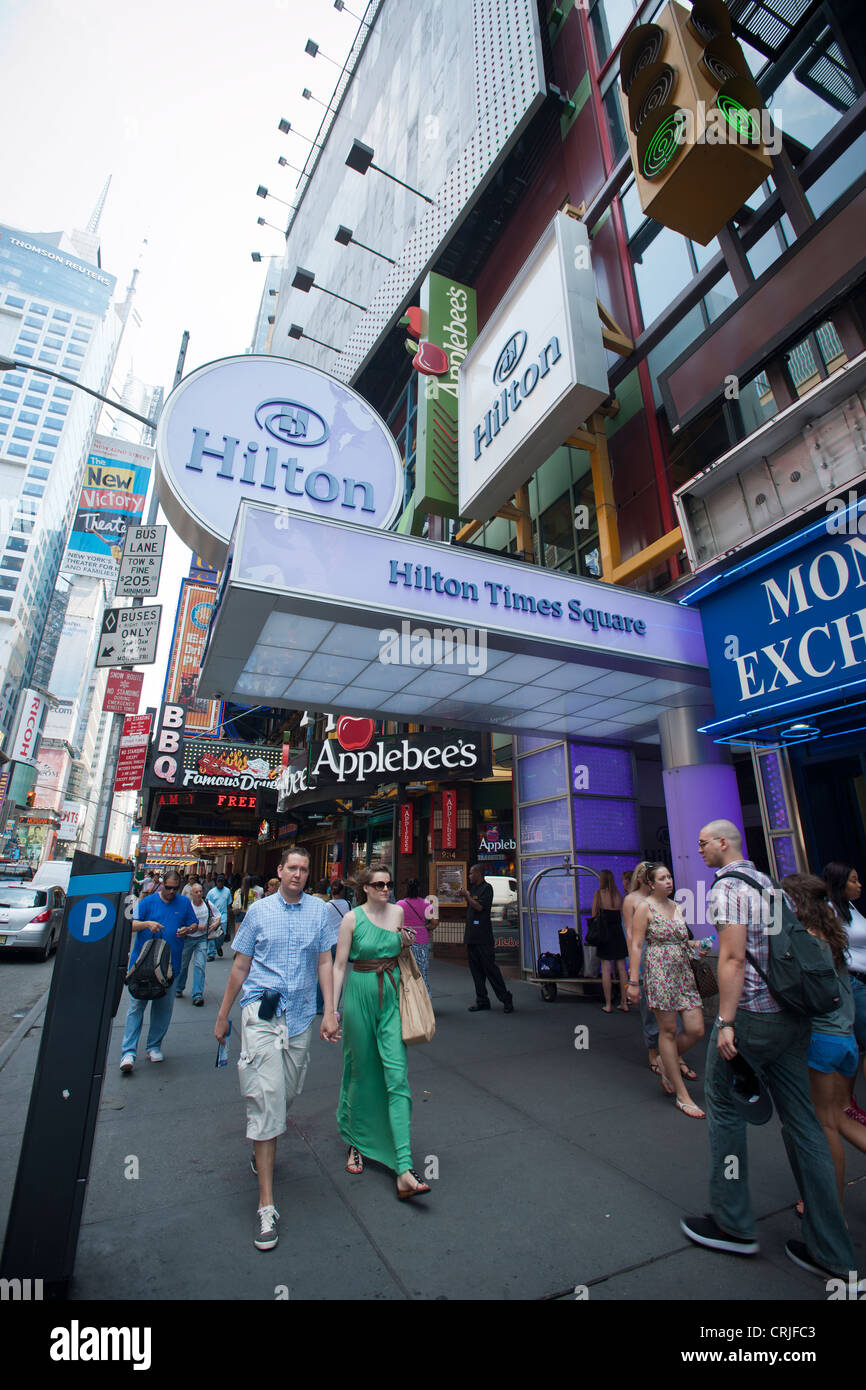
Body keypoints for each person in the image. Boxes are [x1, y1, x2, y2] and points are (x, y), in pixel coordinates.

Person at [680, 819, 858, 1283]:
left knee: (722, 1105)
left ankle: (733, 1222)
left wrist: (727, 1021)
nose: (698, 851)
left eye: (702, 844)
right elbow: (777, 950)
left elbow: (735, 957)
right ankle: (832, 1251)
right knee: (804, 1124)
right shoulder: (767, 885)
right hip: (793, 1018)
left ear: (723, 843)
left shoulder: (723, 891)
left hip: (753, 1018)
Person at [214, 847, 340, 1251]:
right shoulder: (258, 912)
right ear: (280, 871)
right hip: (261, 1012)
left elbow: (325, 962)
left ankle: (261, 1143)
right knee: (268, 1099)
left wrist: (330, 1011)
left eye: (304, 869)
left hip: (301, 1016)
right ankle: (267, 1205)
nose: (298, 875)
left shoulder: (320, 912)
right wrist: (223, 1015)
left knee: (286, 1093)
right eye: (292, 868)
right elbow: (239, 966)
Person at [332, 865, 430, 1199]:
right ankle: (355, 1141)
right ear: (365, 888)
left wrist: (405, 943)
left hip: (391, 995)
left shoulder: (398, 912)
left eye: (389, 883)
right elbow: (339, 965)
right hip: (359, 995)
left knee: (397, 1075)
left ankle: (403, 1165)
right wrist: (331, 1011)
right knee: (360, 1071)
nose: (386, 889)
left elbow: (402, 952)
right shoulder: (351, 919)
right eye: (379, 884)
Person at [781, 873, 866, 1211]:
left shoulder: (805, 942)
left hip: (823, 1040)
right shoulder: (832, 935)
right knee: (840, 1117)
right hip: (845, 1040)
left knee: (826, 1124)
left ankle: (831, 1208)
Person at [627, 863, 705, 1116]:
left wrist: (696, 945)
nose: (668, 881)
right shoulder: (643, 907)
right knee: (668, 1030)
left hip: (683, 971)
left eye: (670, 876)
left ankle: (664, 1060)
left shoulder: (677, 906)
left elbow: (680, 939)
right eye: (662, 878)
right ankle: (682, 1095)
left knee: (696, 1029)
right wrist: (634, 981)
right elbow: (637, 945)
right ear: (651, 883)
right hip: (659, 971)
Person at [119, 870, 198, 1073]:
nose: (171, 892)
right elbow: (130, 925)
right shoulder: (146, 902)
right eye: (168, 887)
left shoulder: (184, 903)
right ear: (161, 884)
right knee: (137, 1006)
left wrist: (187, 929)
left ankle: (154, 1046)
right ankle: (128, 1052)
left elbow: (194, 923)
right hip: (143, 965)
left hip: (170, 965)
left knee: (163, 1008)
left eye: (175, 888)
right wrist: (147, 924)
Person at [823, 861, 866, 1120]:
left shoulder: (850, 907)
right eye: (853, 880)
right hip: (851, 981)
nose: (858, 885)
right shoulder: (829, 911)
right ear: (840, 884)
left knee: (853, 1045)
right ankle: (843, 1103)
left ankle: (845, 1102)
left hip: (860, 980)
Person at [622, 861, 661, 1077]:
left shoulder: (660, 898)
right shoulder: (632, 900)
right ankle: (653, 1049)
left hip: (664, 954)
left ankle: (674, 1051)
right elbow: (630, 935)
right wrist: (633, 970)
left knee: (672, 1007)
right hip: (645, 953)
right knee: (650, 1007)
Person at [458, 864, 514, 1013]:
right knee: (476, 971)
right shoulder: (474, 889)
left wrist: (467, 896)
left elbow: (479, 907)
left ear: (478, 874)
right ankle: (482, 1000)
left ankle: (506, 998)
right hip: (472, 936)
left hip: (483, 937)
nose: (469, 876)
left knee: (490, 969)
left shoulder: (486, 888)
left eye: (471, 873)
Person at [591, 869, 630, 1013]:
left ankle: (608, 1004)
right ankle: (624, 1002)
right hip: (617, 933)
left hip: (605, 933)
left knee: (606, 968)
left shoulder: (598, 895)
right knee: (622, 969)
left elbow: (594, 913)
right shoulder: (618, 896)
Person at [175, 881, 218, 1005]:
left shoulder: (207, 903)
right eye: (196, 892)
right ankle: (179, 987)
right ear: (191, 894)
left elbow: (217, 915)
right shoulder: (187, 906)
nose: (199, 894)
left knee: (200, 965)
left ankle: (197, 994)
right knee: (183, 965)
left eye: (200, 891)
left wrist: (214, 924)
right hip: (188, 938)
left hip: (202, 939)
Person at [396, 878, 436, 992]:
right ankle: (424, 998)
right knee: (421, 971)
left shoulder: (400, 904)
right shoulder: (426, 903)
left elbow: (395, 923)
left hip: (405, 940)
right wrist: (424, 927)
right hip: (422, 939)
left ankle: (407, 999)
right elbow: (434, 923)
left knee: (405, 971)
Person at [206, 873, 233, 960]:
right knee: (213, 935)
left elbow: (228, 904)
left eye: (222, 881)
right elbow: (207, 904)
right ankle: (211, 954)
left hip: (224, 916)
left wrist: (229, 917)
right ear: (216, 882)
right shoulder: (211, 892)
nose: (220, 883)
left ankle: (218, 946)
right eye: (218, 881)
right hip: (214, 917)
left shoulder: (227, 891)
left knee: (222, 935)